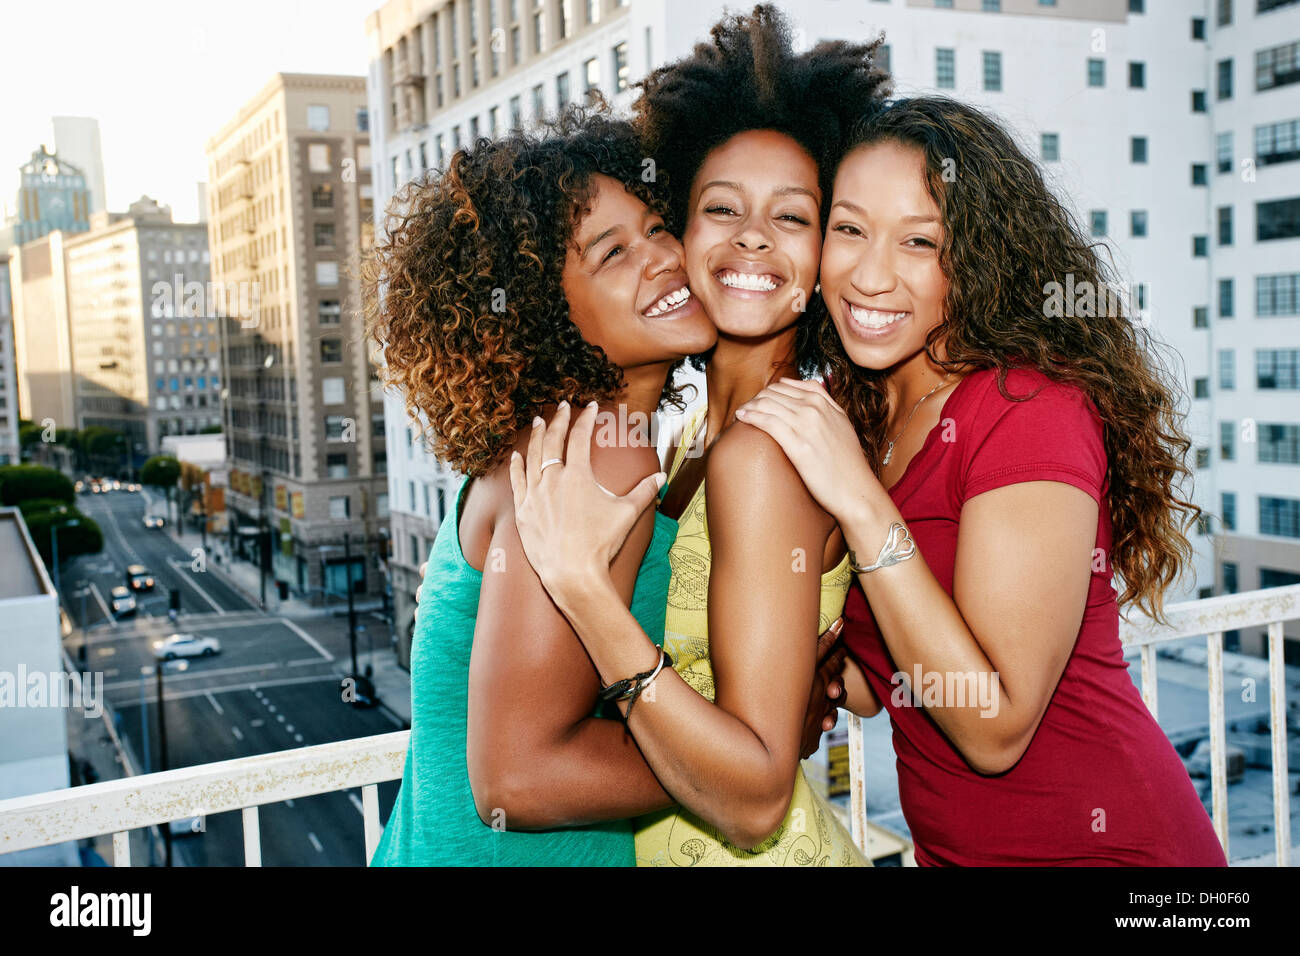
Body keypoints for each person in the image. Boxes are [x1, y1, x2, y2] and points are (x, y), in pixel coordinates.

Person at [734, 96, 1228, 866]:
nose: (870, 274)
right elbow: (889, 679)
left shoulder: (1028, 409)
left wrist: (861, 503)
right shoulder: (860, 410)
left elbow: (994, 726)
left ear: (979, 258)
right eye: (850, 229)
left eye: (920, 241)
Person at [508, 5, 888, 866]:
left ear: (824, 260)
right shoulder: (688, 444)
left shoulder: (767, 452)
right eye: (722, 208)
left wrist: (586, 593)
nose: (753, 234)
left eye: (792, 218)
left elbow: (753, 803)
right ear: (681, 235)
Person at [365, 106, 715, 866]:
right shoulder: (589, 455)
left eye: (659, 228)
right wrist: (735, 760)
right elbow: (518, 781)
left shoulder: (587, 441)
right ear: (545, 312)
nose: (660, 257)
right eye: (610, 252)